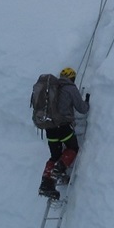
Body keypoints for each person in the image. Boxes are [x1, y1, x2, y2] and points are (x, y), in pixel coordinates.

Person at [36, 67, 90, 199]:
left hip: (49, 128)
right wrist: (87, 102)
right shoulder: (70, 88)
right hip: (63, 127)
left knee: (54, 156)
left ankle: (46, 184)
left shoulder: (51, 88)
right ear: (72, 78)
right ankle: (59, 168)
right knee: (72, 148)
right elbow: (82, 109)